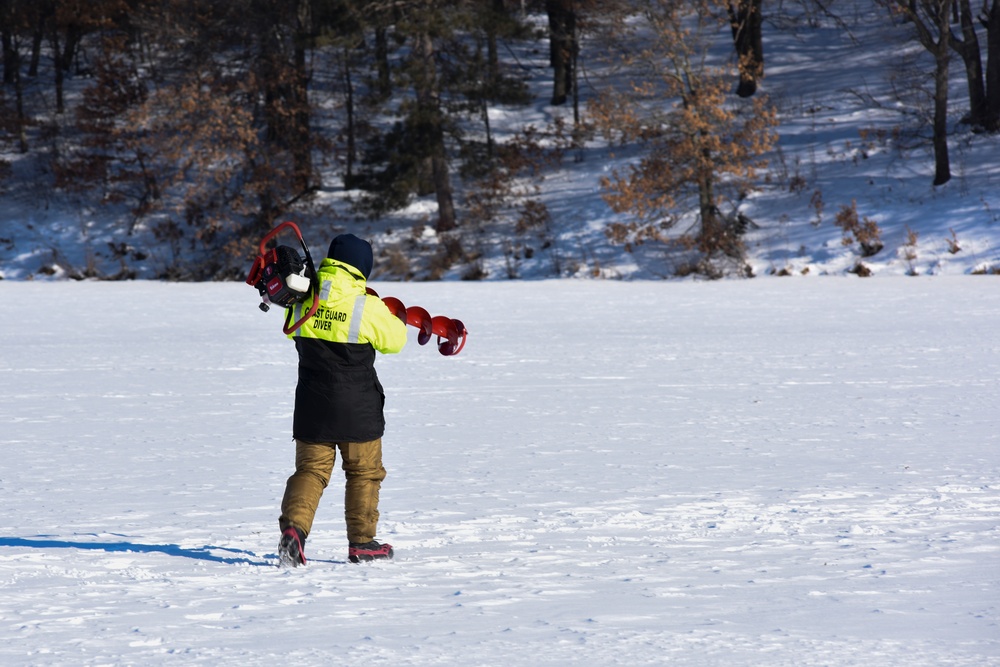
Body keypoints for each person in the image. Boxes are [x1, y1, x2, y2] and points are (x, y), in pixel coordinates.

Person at [277, 233, 407, 566]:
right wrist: (398, 321)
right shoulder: (366, 305)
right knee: (364, 474)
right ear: (362, 267)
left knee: (310, 472)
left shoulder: (305, 295)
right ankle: (362, 544)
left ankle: (293, 533)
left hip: (311, 409)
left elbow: (291, 328)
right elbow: (395, 342)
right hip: (357, 411)